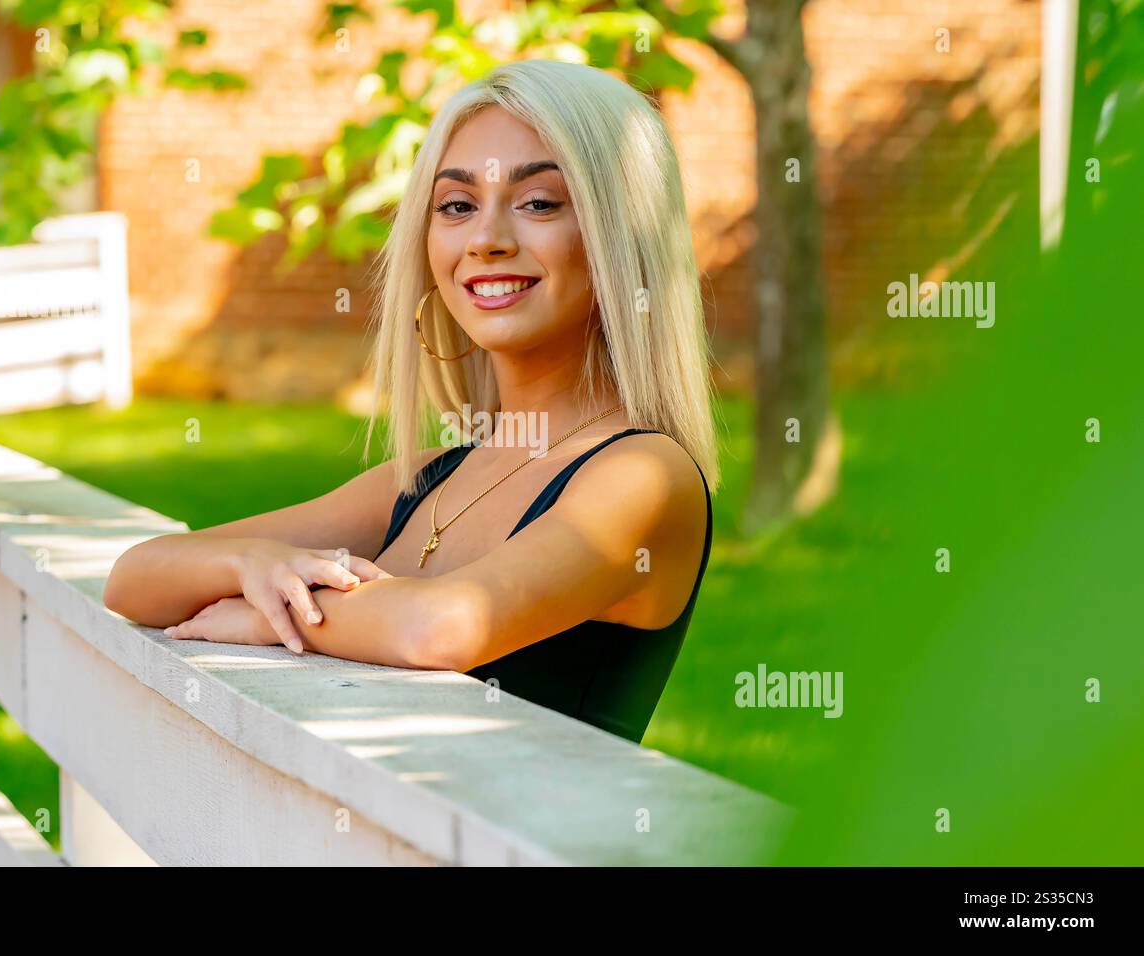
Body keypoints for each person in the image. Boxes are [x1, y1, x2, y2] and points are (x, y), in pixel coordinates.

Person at [104, 59, 719, 744]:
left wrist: (269, 614)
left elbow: (447, 626)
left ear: (622, 237)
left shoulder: (645, 475)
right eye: (457, 206)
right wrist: (252, 565)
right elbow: (135, 577)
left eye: (539, 202)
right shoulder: (430, 477)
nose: (486, 239)